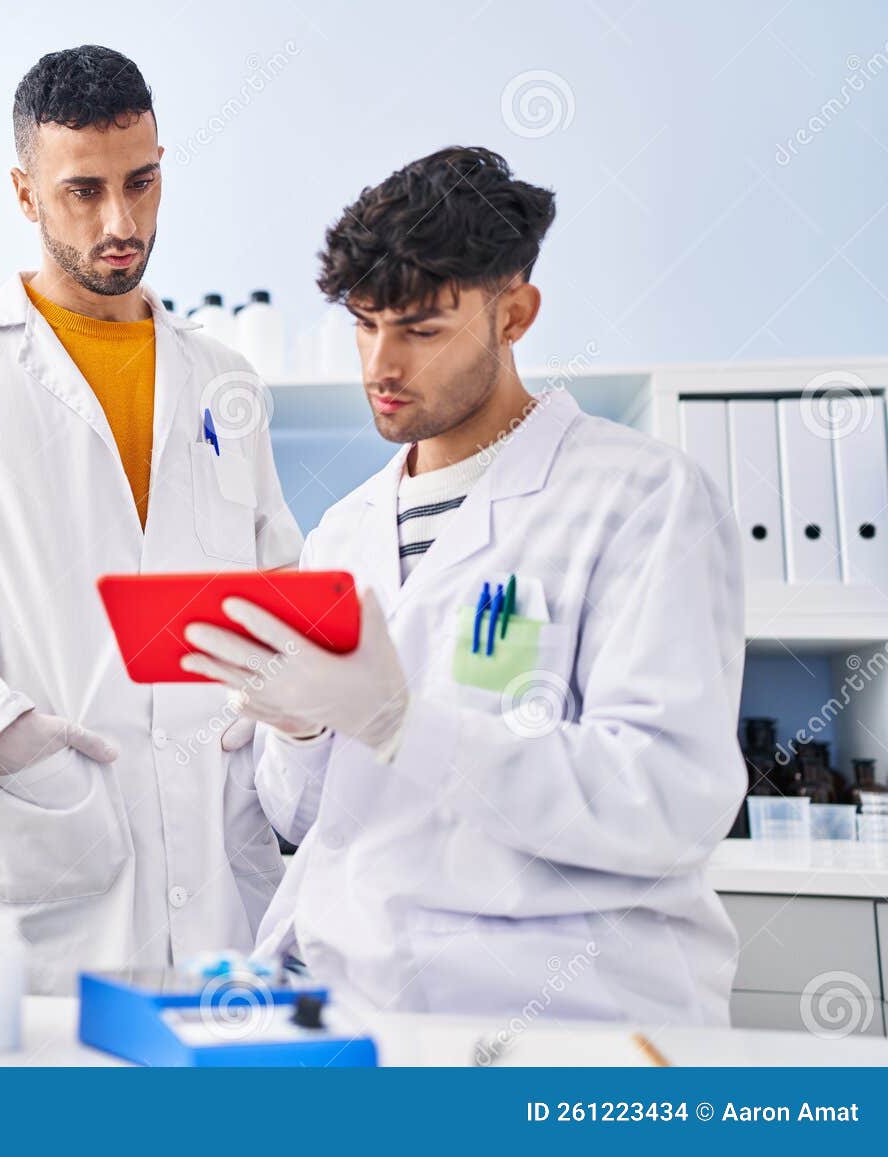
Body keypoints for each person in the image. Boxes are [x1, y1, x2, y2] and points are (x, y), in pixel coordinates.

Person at [182, 146, 745, 1025]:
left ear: (514, 312)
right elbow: (314, 816)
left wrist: (407, 724)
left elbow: (666, 800)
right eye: (365, 324)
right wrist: (295, 727)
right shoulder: (346, 531)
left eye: (420, 329)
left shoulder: (641, 498)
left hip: (564, 1018)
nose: (381, 364)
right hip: (366, 1009)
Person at [0, 45, 302, 994]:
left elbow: (277, 592)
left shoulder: (226, 381)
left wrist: (286, 717)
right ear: (24, 191)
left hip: (220, 861)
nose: (121, 222)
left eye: (143, 182)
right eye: (83, 190)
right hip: (42, 857)